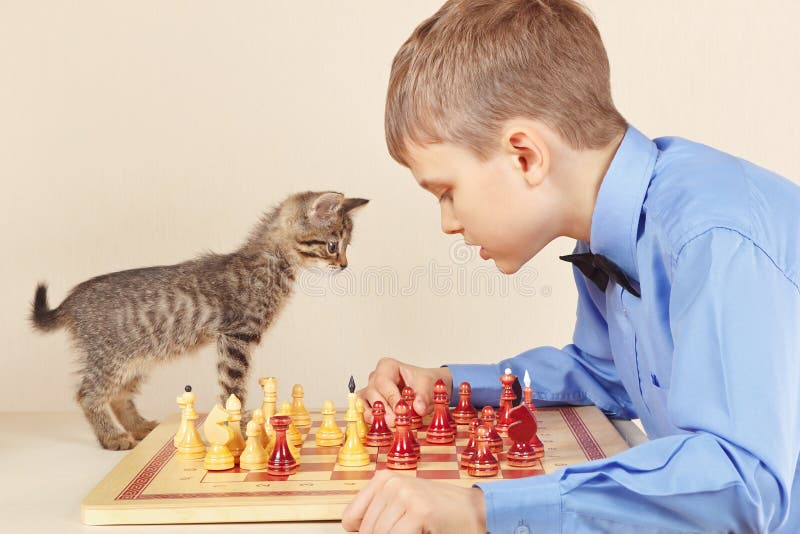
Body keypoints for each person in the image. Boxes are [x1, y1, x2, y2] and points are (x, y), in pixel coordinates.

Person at [340, 0, 800, 532]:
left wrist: (480, 509)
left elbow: (744, 482)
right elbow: (605, 376)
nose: (448, 222)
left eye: (447, 191)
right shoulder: (605, 234)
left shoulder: (711, 234)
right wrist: (445, 382)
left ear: (525, 156)